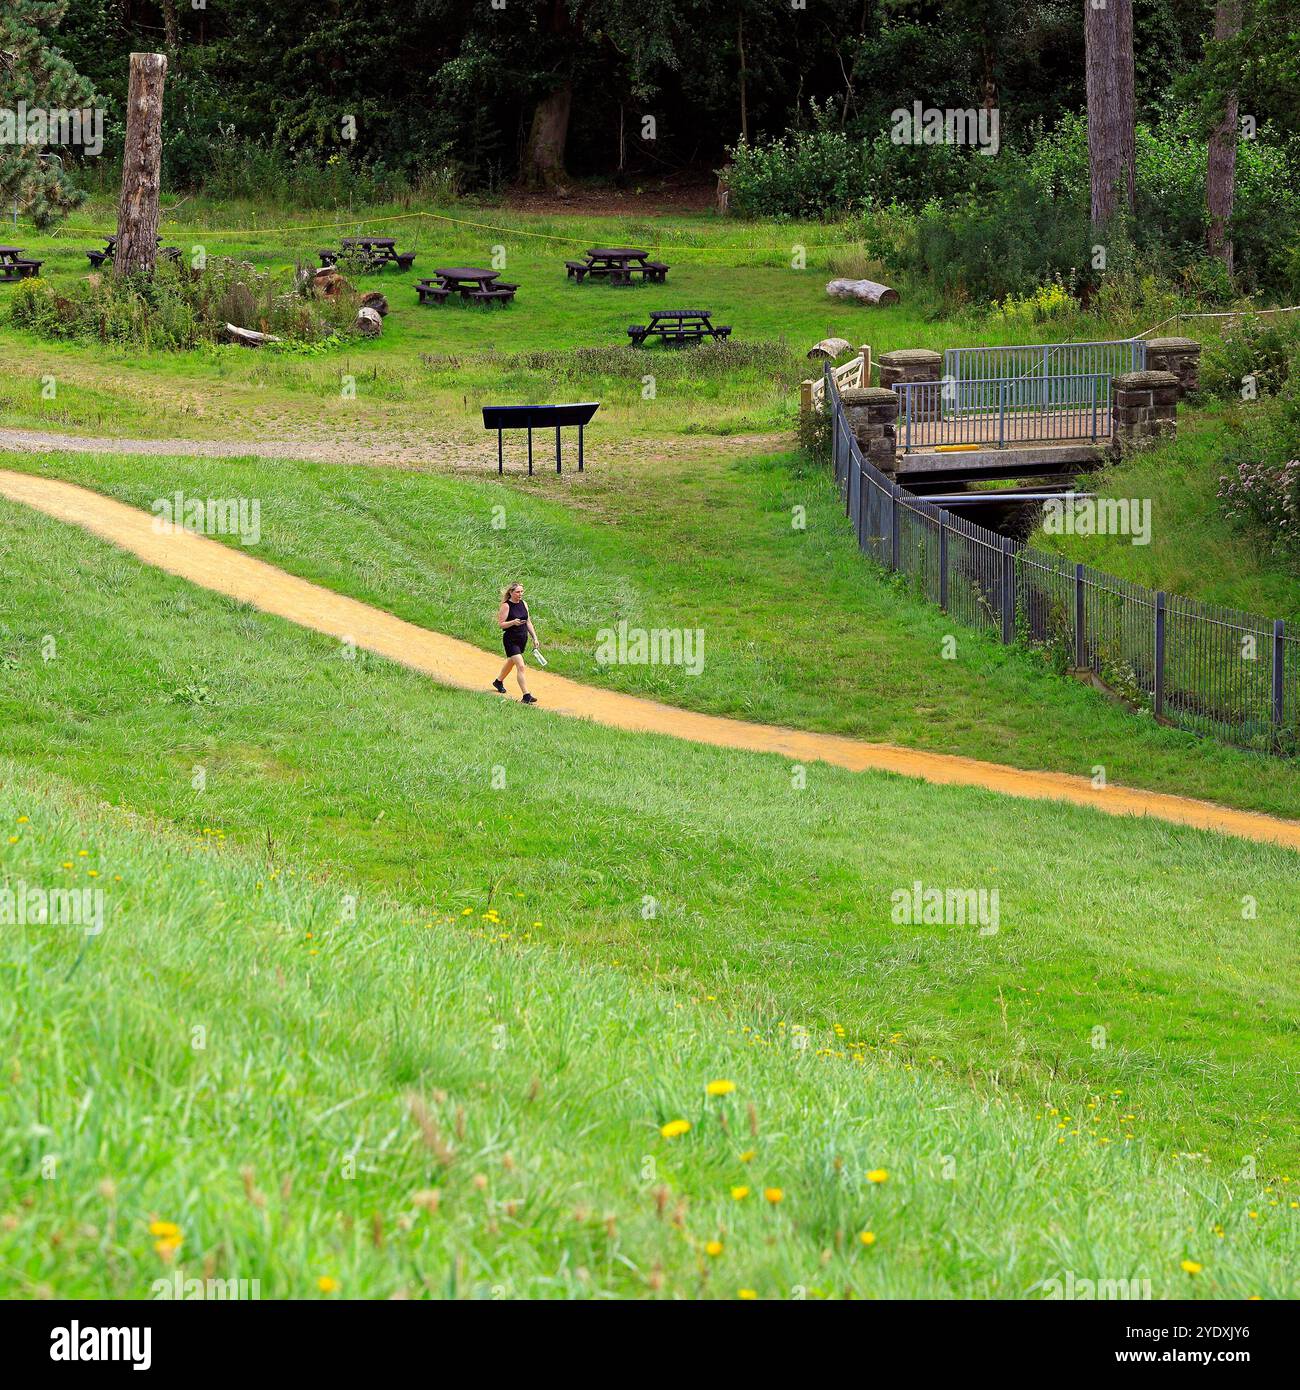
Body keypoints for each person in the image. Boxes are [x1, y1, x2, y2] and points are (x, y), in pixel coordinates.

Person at [493, 582, 539, 704]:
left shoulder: (524, 604)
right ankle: (526, 695)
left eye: (522, 592)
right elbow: (501, 624)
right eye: (518, 592)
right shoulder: (506, 606)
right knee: (521, 666)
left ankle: (498, 681)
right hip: (510, 639)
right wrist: (513, 622)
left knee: (512, 661)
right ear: (511, 593)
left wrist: (535, 637)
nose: (520, 594)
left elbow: (528, 622)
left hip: (522, 638)